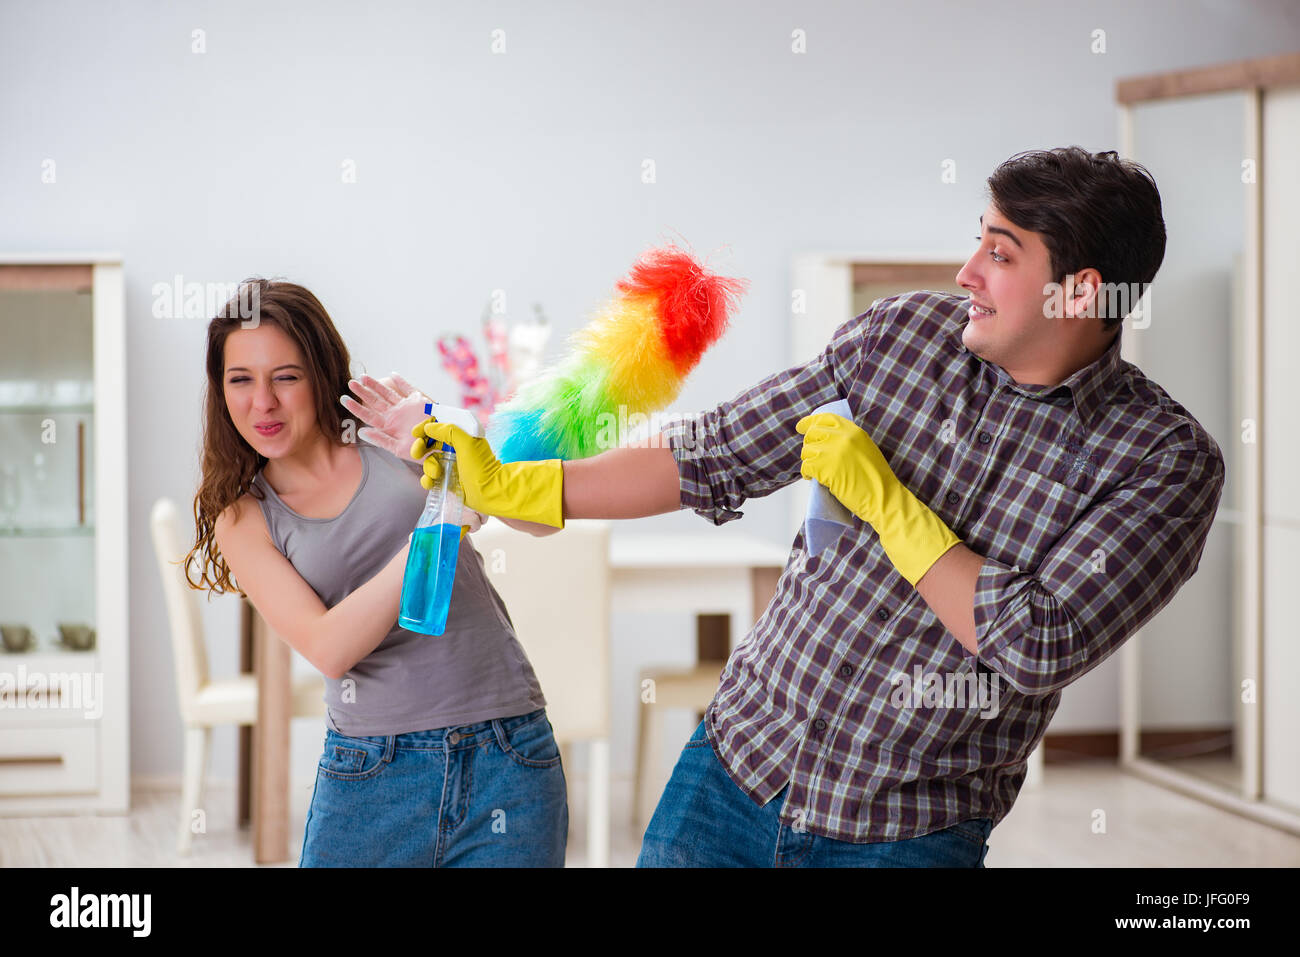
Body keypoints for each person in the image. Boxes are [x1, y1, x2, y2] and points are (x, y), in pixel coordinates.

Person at [377, 146, 1225, 867]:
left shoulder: (1162, 462)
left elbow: (1037, 642)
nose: (966, 273)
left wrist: (891, 505)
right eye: (977, 241)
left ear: (1080, 294)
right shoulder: (902, 337)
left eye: (1000, 255)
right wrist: (510, 484)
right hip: (735, 765)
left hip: (902, 827)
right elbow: (712, 453)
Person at [183, 279, 568, 867]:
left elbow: (541, 523)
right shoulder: (245, 515)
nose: (263, 402)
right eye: (241, 379)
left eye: (285, 376)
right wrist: (437, 526)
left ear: (319, 371)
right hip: (374, 773)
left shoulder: (389, 430)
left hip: (507, 751)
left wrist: (453, 437)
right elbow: (329, 647)